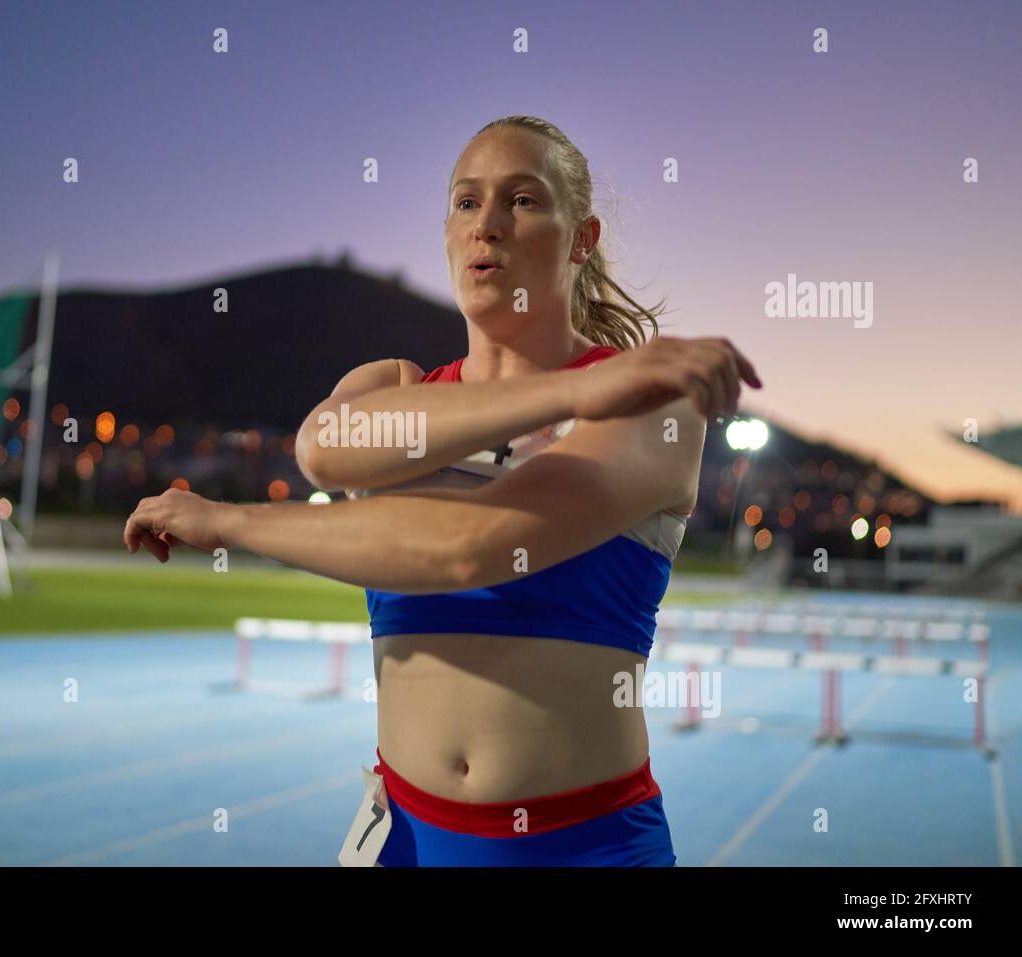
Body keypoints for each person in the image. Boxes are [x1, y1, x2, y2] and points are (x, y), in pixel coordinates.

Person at [122, 114, 761, 866]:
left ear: (581, 238)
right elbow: (320, 450)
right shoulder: (391, 386)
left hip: (581, 845)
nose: (486, 224)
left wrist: (227, 522)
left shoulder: (653, 405)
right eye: (466, 202)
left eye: (522, 200)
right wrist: (566, 396)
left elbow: (476, 548)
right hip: (405, 840)